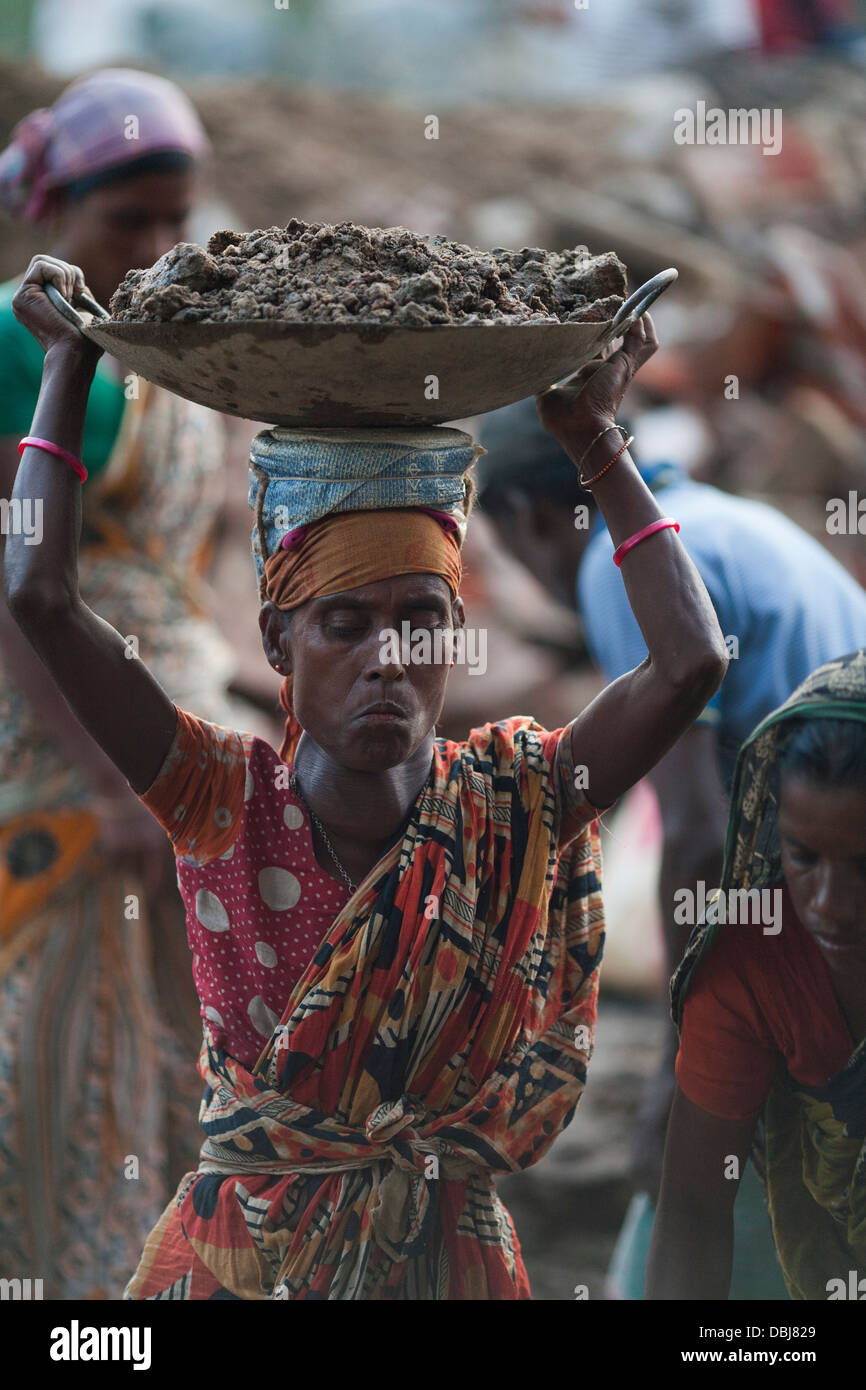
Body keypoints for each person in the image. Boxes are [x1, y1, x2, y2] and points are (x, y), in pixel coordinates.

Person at [6, 253, 728, 1299]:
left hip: (443, 1260)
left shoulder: (510, 800)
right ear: (276, 642)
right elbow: (37, 594)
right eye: (344, 624)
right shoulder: (219, 798)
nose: (387, 657)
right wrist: (67, 367)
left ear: (455, 634)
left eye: (419, 621)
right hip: (245, 1264)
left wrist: (593, 440)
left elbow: (688, 663)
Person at [0, 70, 267, 1299]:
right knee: (64, 1049)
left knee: (175, 1039)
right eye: (128, 223)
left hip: (171, 735)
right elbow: (17, 585)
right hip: (65, 751)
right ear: (56, 208)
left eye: (176, 218)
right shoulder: (27, 341)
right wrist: (113, 780)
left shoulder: (165, 338)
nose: (157, 247)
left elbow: (180, 568)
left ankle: (157, 1297)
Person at [476, 398, 866, 1200]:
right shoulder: (723, 517)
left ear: (529, 518)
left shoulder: (624, 570)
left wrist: (681, 1060)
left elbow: (694, 833)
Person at [647, 648, 866, 1299]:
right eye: (804, 857)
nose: (828, 903)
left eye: (865, 866)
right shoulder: (752, 966)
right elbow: (693, 1208)